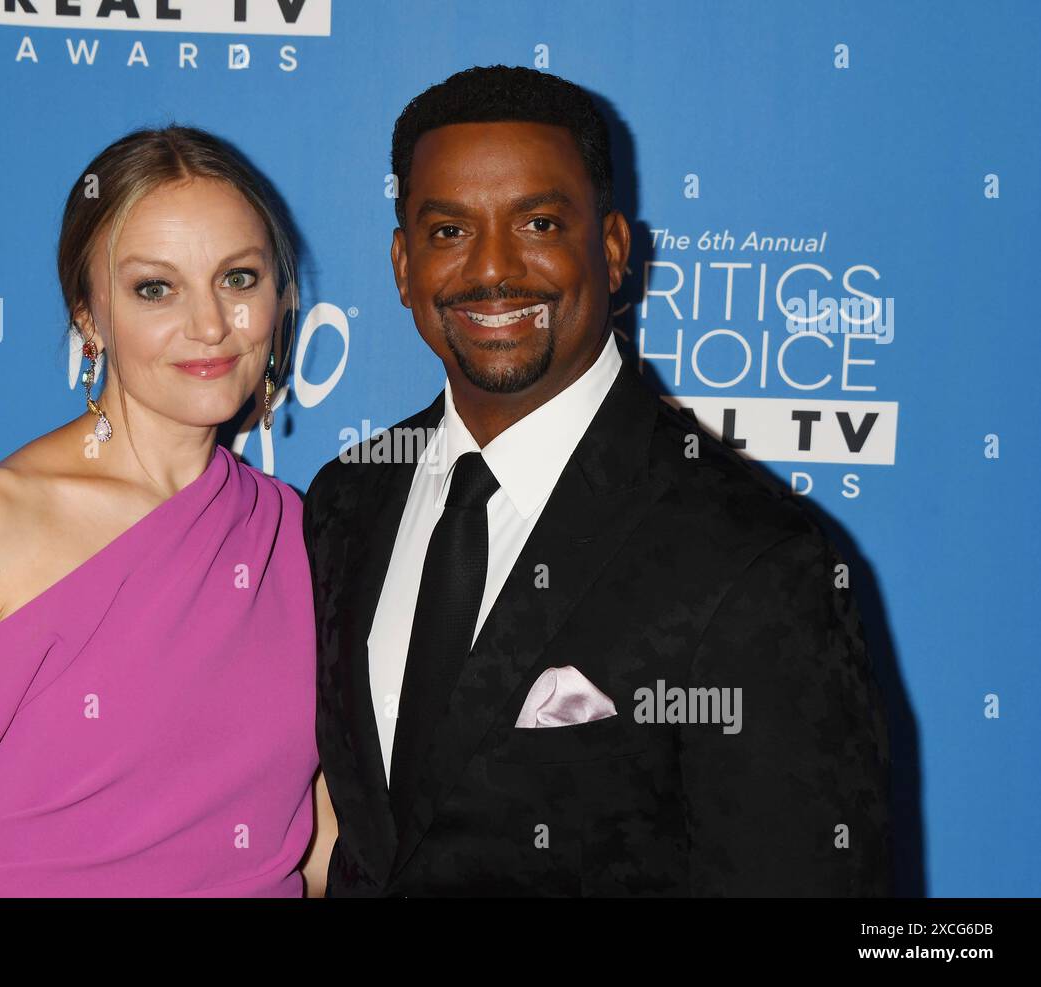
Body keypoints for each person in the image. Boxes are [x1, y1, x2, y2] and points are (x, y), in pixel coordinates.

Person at [303, 65, 892, 896]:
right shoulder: (345, 501)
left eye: (538, 222)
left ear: (613, 249)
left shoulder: (753, 554)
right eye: (448, 232)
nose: (492, 270)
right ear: (403, 265)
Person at [0, 124, 338, 897]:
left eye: (240, 279)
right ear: (88, 317)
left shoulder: (294, 531)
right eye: (155, 287)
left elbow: (318, 852)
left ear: (280, 298)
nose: (211, 324)